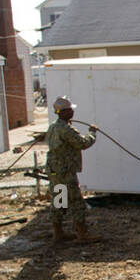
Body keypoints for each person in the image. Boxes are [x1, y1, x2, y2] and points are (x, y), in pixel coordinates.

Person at [46, 95, 100, 243]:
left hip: (55, 170)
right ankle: (82, 235)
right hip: (65, 171)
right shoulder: (65, 129)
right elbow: (82, 143)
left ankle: (58, 234)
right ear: (63, 112)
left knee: (59, 201)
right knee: (76, 201)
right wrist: (92, 133)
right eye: (69, 110)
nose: (72, 112)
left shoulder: (53, 127)